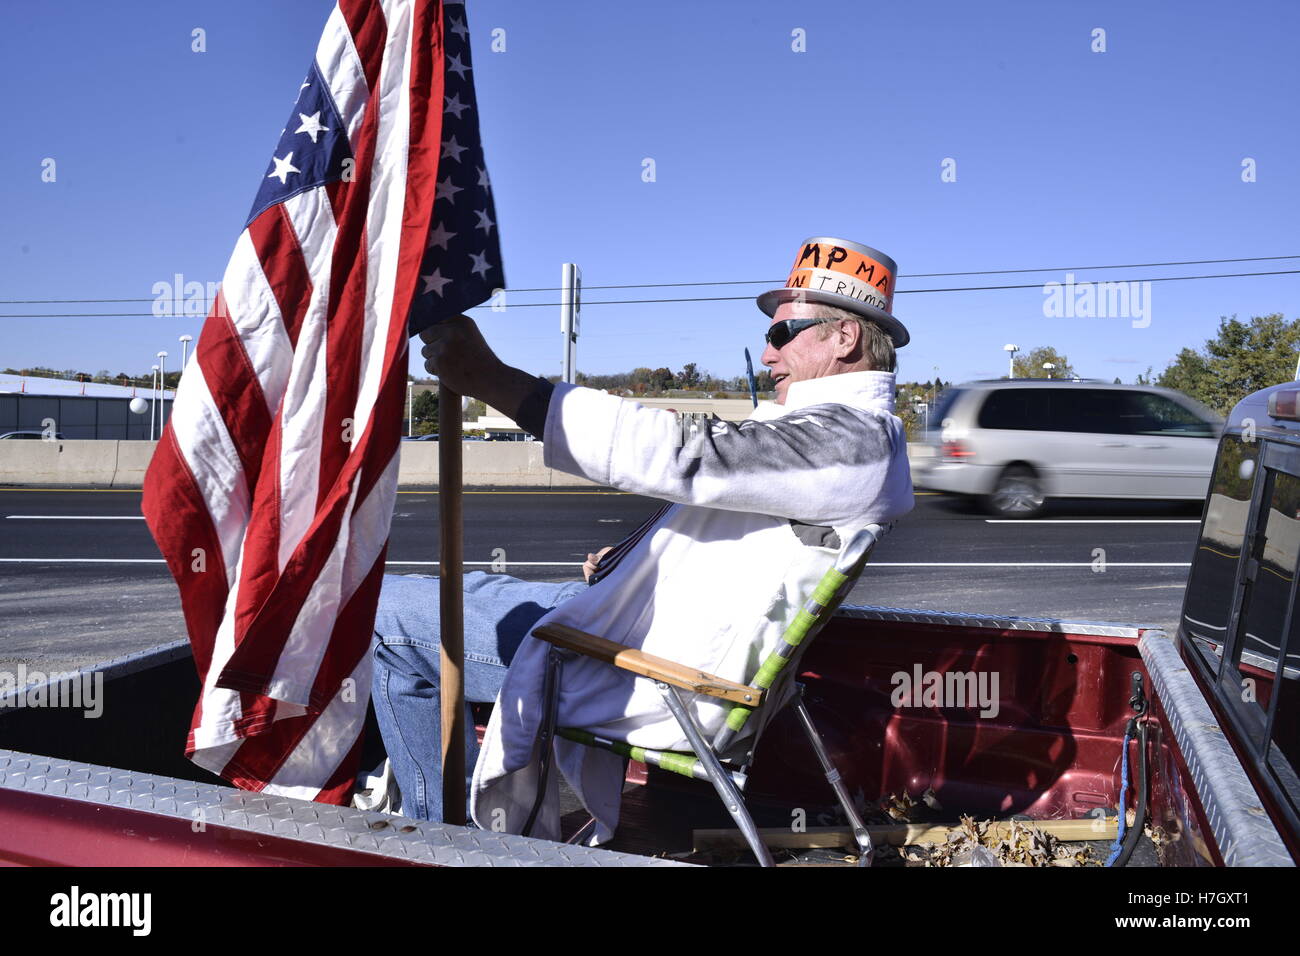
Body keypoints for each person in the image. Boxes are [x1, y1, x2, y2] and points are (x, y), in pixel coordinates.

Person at [370, 236, 915, 839]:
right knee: (446, 588)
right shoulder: (841, 435)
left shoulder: (851, 441)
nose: (766, 353)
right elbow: (732, 524)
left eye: (783, 334)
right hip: (649, 640)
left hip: (650, 670)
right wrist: (626, 561)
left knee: (385, 617)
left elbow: (686, 454)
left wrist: (495, 382)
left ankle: (447, 842)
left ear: (846, 338)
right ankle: (444, 819)